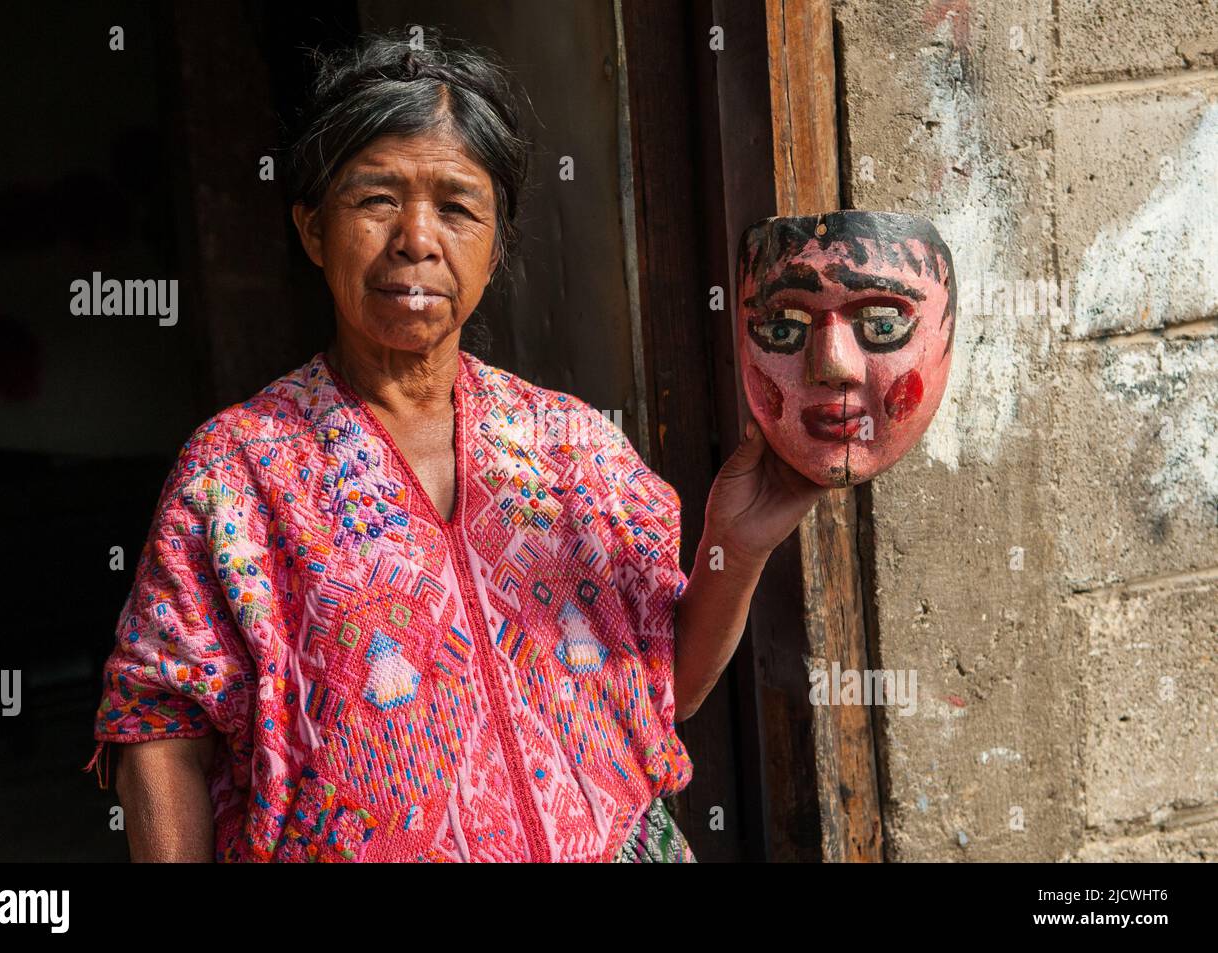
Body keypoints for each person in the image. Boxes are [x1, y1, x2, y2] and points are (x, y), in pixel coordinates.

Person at [84, 27, 825, 862]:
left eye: (457, 205)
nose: (416, 240)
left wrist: (739, 538)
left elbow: (665, 688)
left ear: (496, 241)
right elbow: (162, 725)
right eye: (375, 200)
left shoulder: (572, 447)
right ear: (312, 230)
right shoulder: (239, 471)